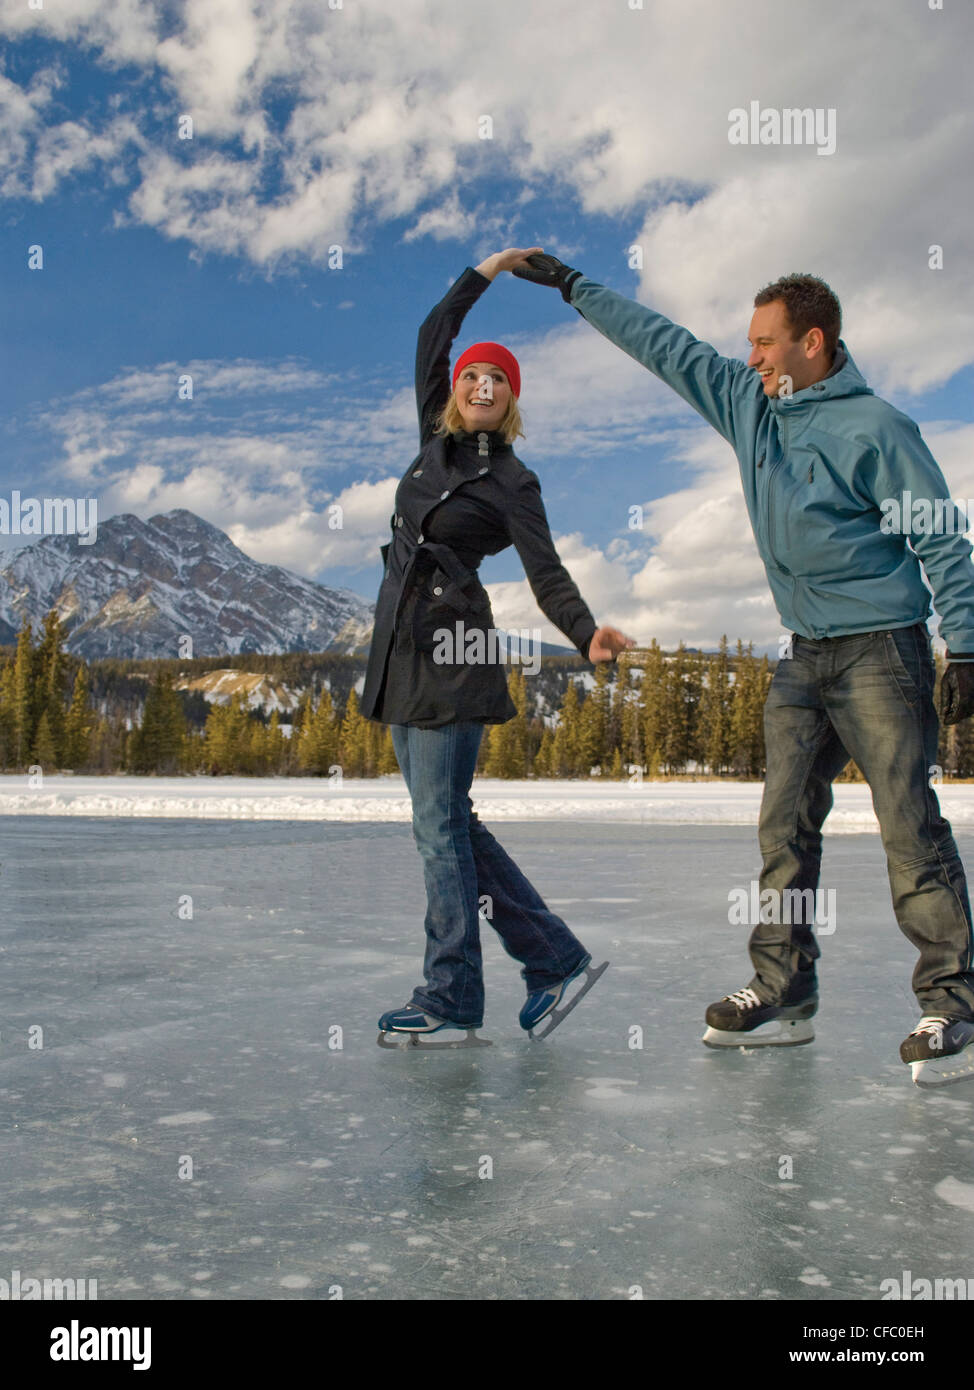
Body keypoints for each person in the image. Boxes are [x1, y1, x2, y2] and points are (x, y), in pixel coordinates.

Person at [513, 251, 974, 1087]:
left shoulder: (878, 428)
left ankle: (953, 1003)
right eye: (750, 344)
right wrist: (575, 286)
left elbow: (940, 535)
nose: (752, 357)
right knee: (784, 829)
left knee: (909, 827)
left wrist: (968, 643)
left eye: (766, 343)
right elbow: (665, 346)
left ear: (813, 342)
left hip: (882, 651)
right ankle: (784, 988)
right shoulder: (749, 406)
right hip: (804, 659)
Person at [362, 247, 631, 1047]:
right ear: (456, 392)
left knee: (441, 828)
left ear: (511, 402)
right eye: (473, 376)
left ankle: (451, 994)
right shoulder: (429, 445)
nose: (482, 386)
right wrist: (487, 271)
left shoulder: (515, 482)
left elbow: (546, 575)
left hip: (453, 658)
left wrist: (586, 633)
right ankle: (553, 960)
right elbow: (431, 334)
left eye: (499, 381)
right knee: (448, 825)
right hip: (399, 658)